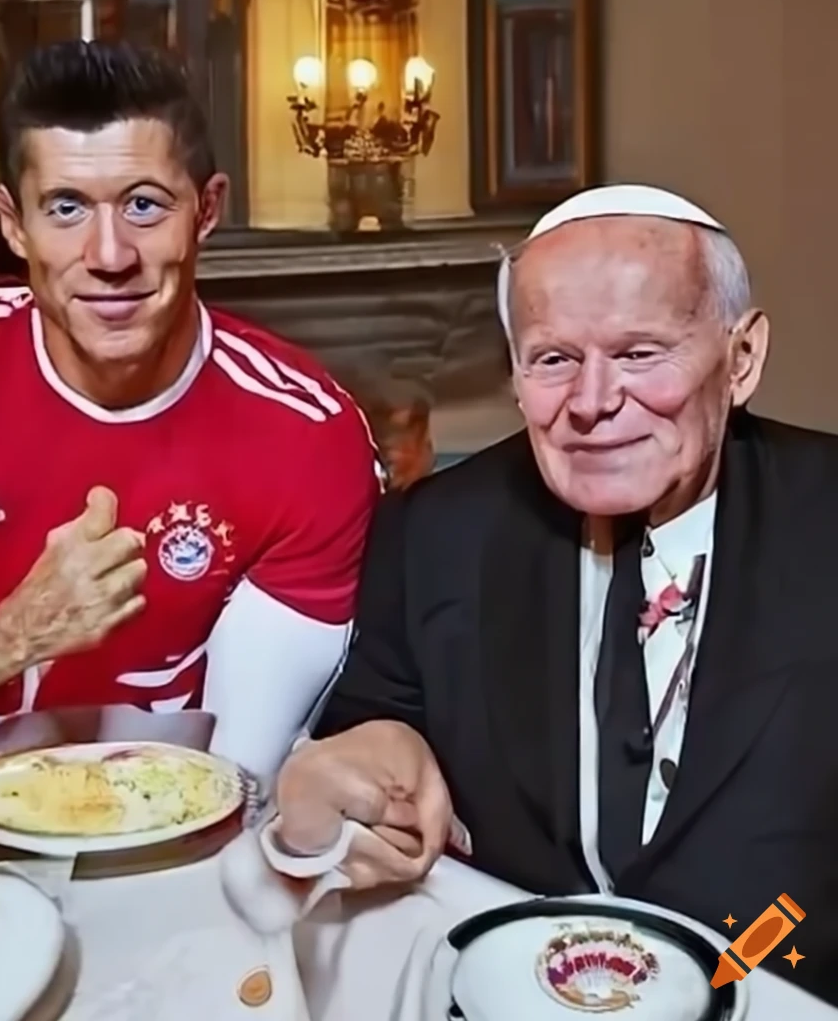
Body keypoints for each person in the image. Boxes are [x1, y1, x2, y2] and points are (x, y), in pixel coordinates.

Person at [265, 184, 838, 1004]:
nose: (594, 402)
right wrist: (355, 765)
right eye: (554, 359)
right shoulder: (433, 532)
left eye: (641, 353)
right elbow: (371, 727)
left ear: (741, 359)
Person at [0, 41, 381, 784]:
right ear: (14, 225)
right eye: (67, 208)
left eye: (144, 205)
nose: (109, 254)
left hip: (167, 821)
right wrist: (4, 643)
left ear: (206, 211)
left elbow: (234, 775)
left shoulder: (310, 437)